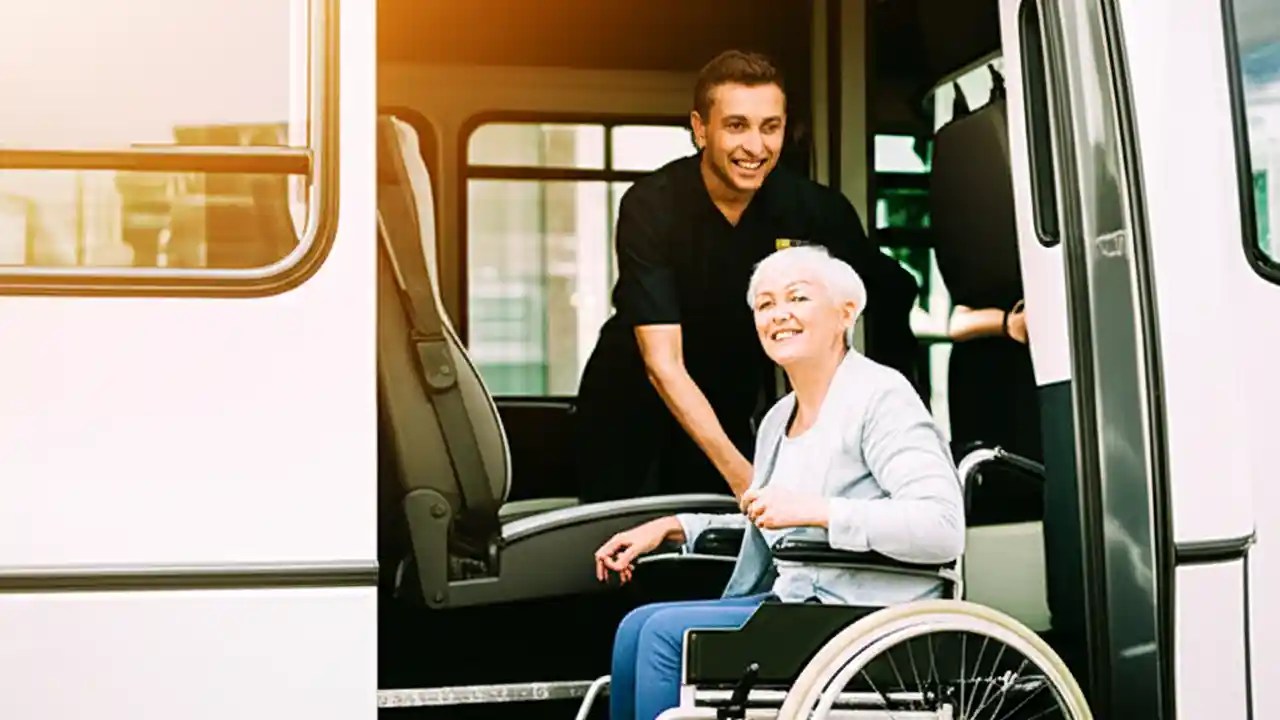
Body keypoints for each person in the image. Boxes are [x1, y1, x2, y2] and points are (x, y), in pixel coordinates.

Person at [592, 246, 965, 720]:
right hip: (800, 604)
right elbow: (776, 520)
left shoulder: (882, 397)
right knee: (636, 628)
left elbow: (942, 526)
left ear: (845, 312)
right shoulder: (777, 419)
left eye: (797, 298)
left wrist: (816, 510)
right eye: (765, 304)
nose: (779, 315)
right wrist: (676, 527)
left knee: (666, 636)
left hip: (866, 614)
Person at [574, 50, 919, 504]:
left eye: (769, 127)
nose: (755, 147)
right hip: (631, 405)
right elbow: (663, 364)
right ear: (701, 129)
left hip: (731, 401)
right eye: (736, 126)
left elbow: (889, 295)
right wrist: (747, 479)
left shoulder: (815, 211)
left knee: (720, 559)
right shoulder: (651, 205)